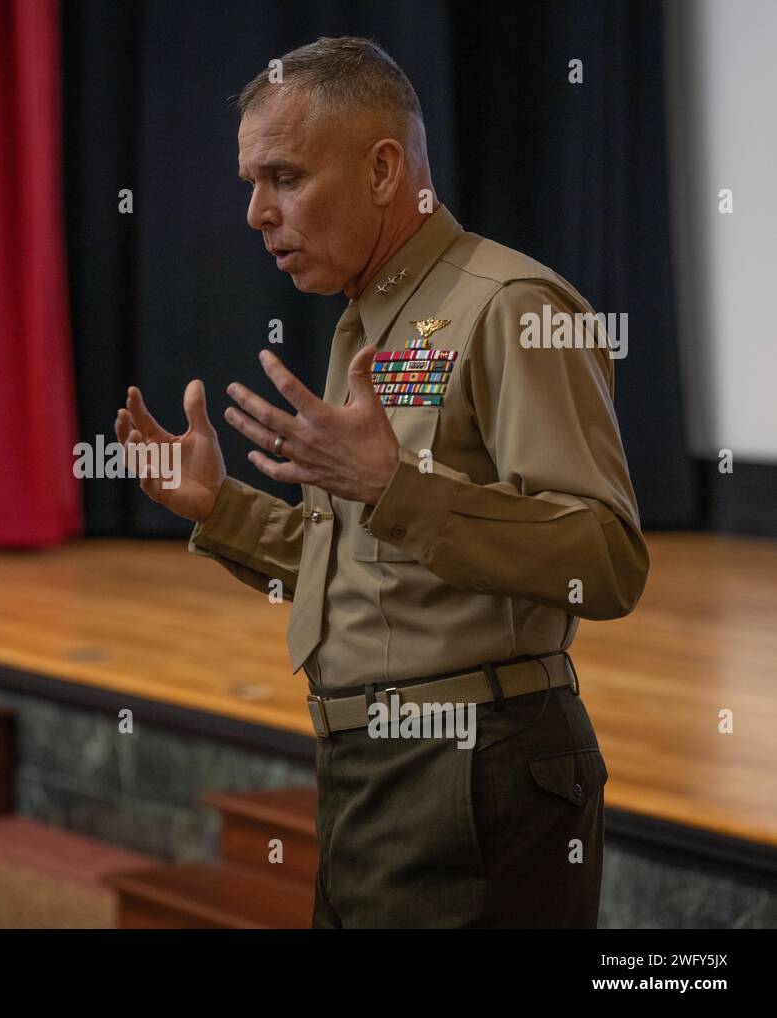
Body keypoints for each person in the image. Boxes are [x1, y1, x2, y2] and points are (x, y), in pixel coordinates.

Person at [114, 37, 648, 928]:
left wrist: (398, 490)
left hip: (475, 768)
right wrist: (221, 508)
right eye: (251, 183)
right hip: (375, 769)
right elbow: (368, 562)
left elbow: (607, 558)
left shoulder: (509, 305)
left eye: (282, 178)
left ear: (383, 169)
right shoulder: (376, 320)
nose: (256, 213)